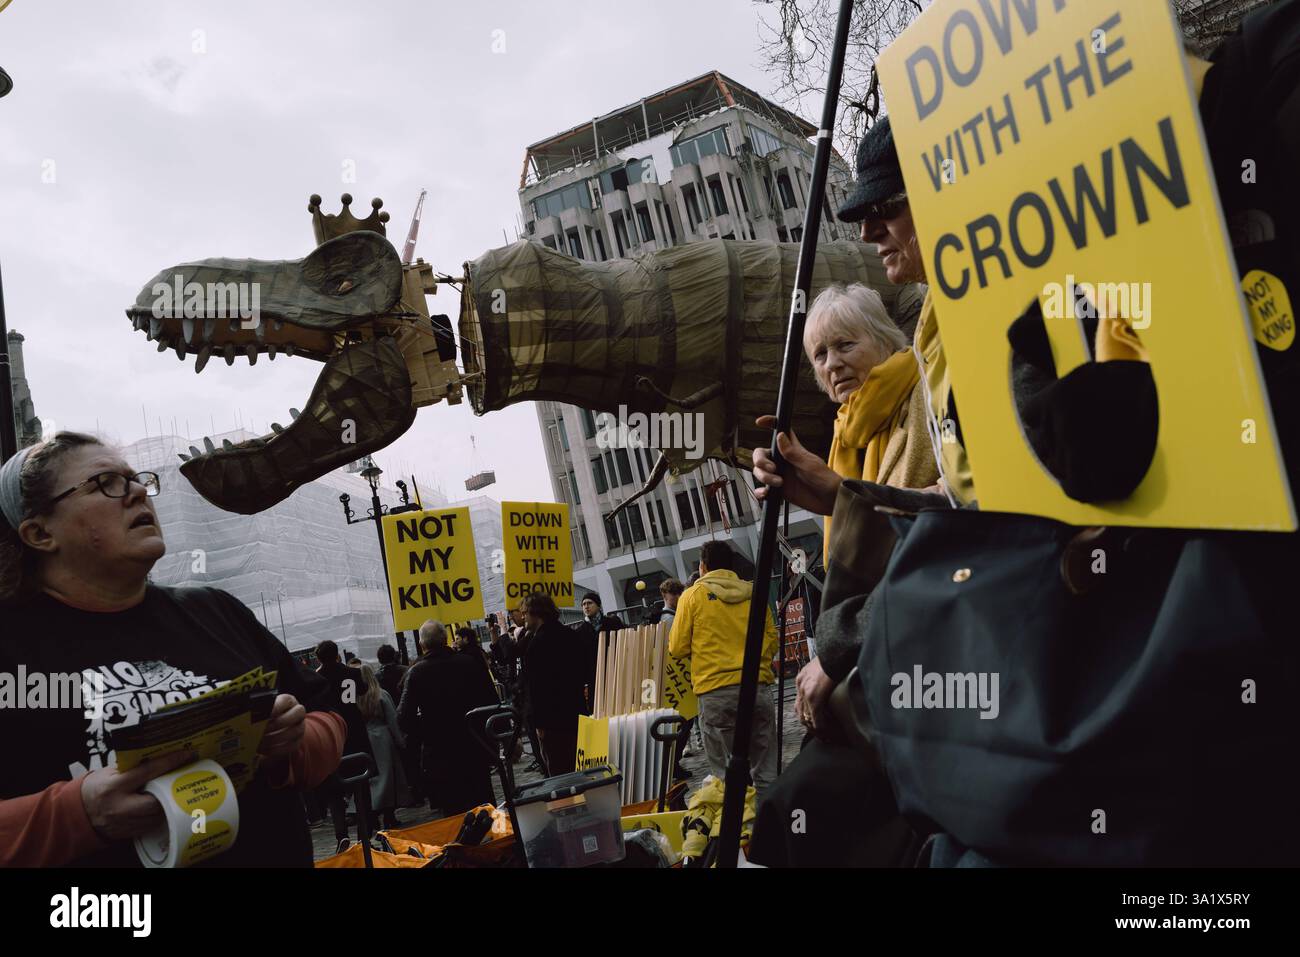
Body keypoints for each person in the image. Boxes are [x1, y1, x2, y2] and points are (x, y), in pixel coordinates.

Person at [0, 432, 346, 866]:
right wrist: (77, 814)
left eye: (136, 479)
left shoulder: (216, 611)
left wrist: (292, 745)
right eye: (105, 483)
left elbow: (330, 718)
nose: (138, 492)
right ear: (39, 532)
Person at [667, 539, 779, 799]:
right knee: (766, 772)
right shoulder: (754, 593)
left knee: (727, 778)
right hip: (756, 688)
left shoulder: (692, 596)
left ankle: (739, 823)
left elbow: (677, 647)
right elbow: (771, 640)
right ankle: (771, 819)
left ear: (703, 567)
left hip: (714, 692)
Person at [397, 620, 499, 814]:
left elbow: (403, 717)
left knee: (454, 812)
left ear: (422, 644)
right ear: (445, 639)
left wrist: (425, 731)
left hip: (440, 751)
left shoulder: (417, 672)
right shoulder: (469, 663)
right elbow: (490, 700)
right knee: (484, 806)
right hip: (474, 744)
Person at [521, 592, 588, 776]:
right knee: (581, 768)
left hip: (553, 723)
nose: (523, 617)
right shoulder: (571, 635)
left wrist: (540, 724)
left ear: (536, 612)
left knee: (561, 774)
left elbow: (537, 688)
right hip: (576, 712)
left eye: (525, 612)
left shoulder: (536, 644)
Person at [355, 664, 410, 830]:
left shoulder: (353, 696)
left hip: (363, 738)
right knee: (388, 777)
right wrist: (400, 740)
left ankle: (372, 815)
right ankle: (389, 816)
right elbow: (392, 719)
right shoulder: (381, 694)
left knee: (370, 779)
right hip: (383, 737)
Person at [572, 592, 623, 714]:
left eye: (589, 603)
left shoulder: (613, 623)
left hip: (616, 671)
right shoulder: (579, 632)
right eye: (583, 604)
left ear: (598, 605)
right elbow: (580, 660)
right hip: (594, 678)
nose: (586, 606)